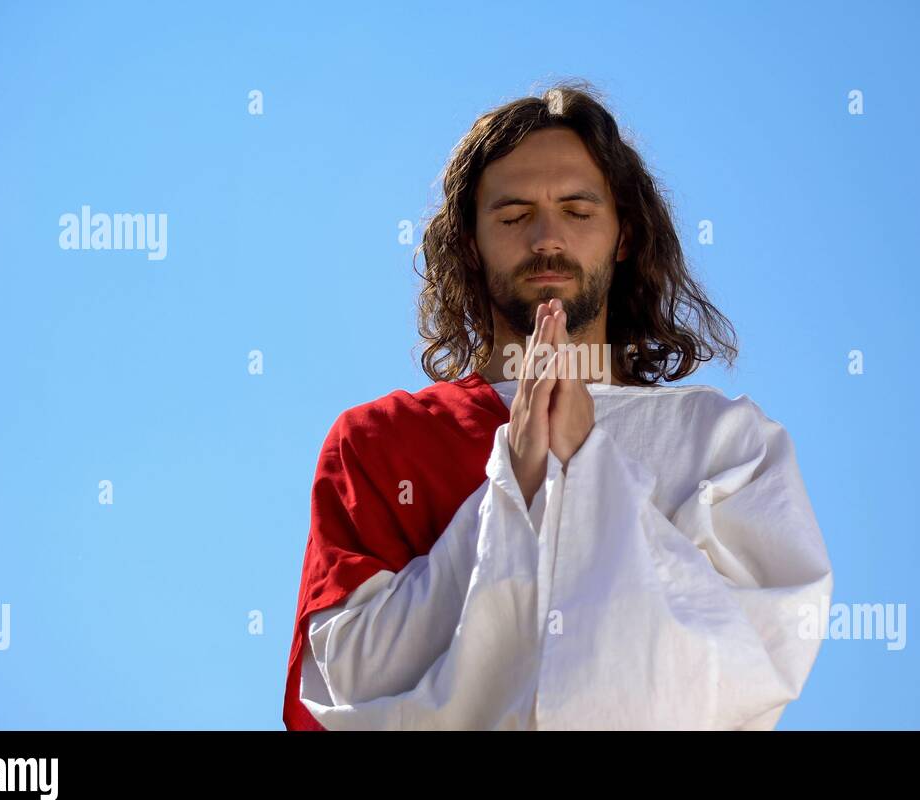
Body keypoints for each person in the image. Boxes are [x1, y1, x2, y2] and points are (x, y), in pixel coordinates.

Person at [283, 81, 833, 730]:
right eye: (513, 215)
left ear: (624, 234)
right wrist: (511, 488)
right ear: (469, 243)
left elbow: (749, 666)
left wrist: (586, 471)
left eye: (577, 209)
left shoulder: (725, 444)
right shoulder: (380, 440)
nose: (547, 236)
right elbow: (346, 682)